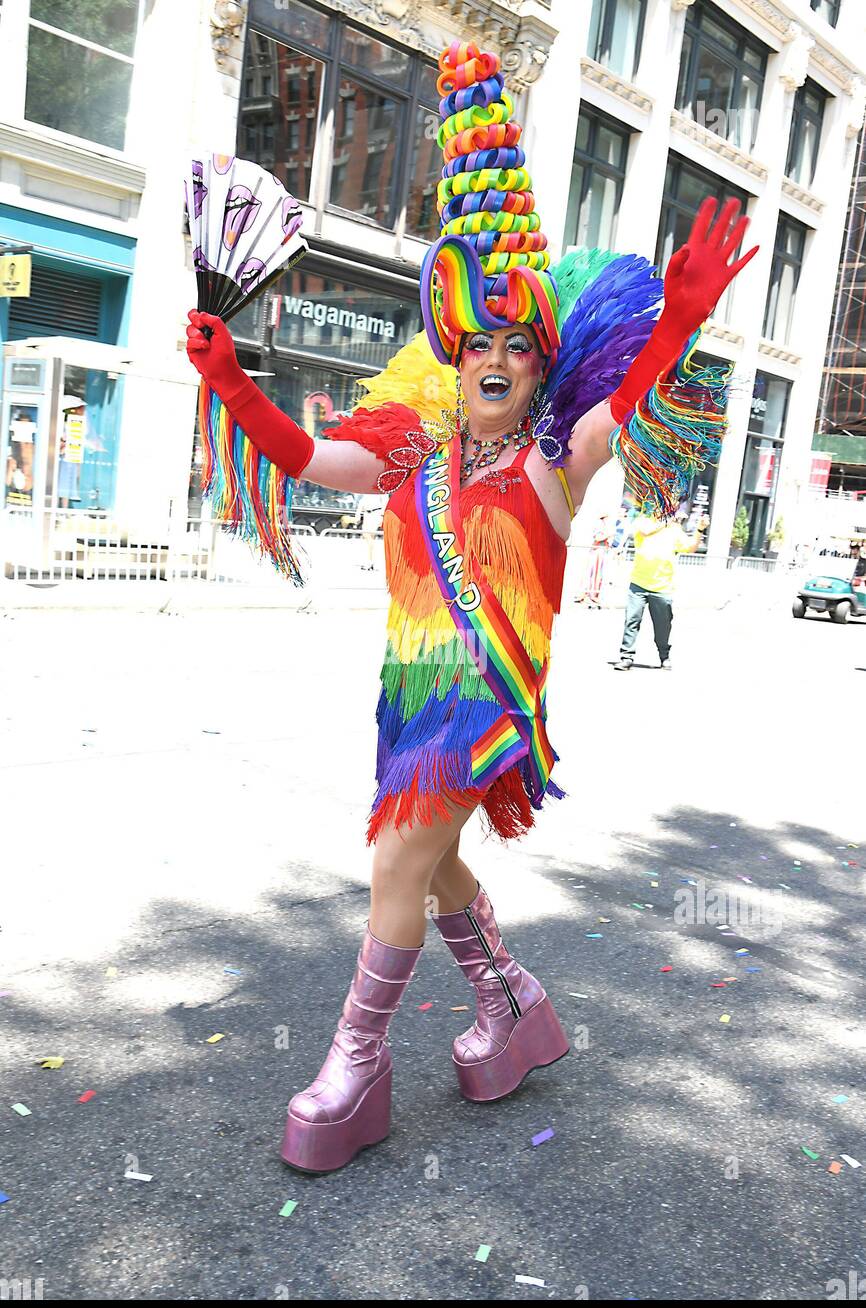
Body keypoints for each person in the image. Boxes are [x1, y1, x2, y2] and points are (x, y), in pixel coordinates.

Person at [186, 39, 757, 1174]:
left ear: (545, 367)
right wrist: (233, 380)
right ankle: (512, 1001)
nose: (495, 358)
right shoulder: (409, 445)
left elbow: (621, 420)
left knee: (397, 864)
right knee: (431, 863)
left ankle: (354, 1068)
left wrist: (676, 326)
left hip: (485, 702)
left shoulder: (553, 462)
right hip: (408, 694)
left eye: (516, 345)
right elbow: (307, 459)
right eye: (476, 340)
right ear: (450, 352)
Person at [613, 510, 708, 670]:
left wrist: (700, 529)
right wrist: (668, 520)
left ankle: (664, 656)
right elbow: (645, 531)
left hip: (662, 587)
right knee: (632, 620)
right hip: (638, 583)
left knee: (663, 626)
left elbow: (690, 547)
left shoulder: (674, 529)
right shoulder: (643, 520)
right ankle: (626, 657)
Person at [575, 513, 614, 608]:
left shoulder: (603, 524)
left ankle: (591, 594)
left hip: (601, 550)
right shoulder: (599, 524)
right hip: (597, 550)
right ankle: (589, 595)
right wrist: (609, 535)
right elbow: (597, 538)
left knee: (596, 573)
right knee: (594, 573)